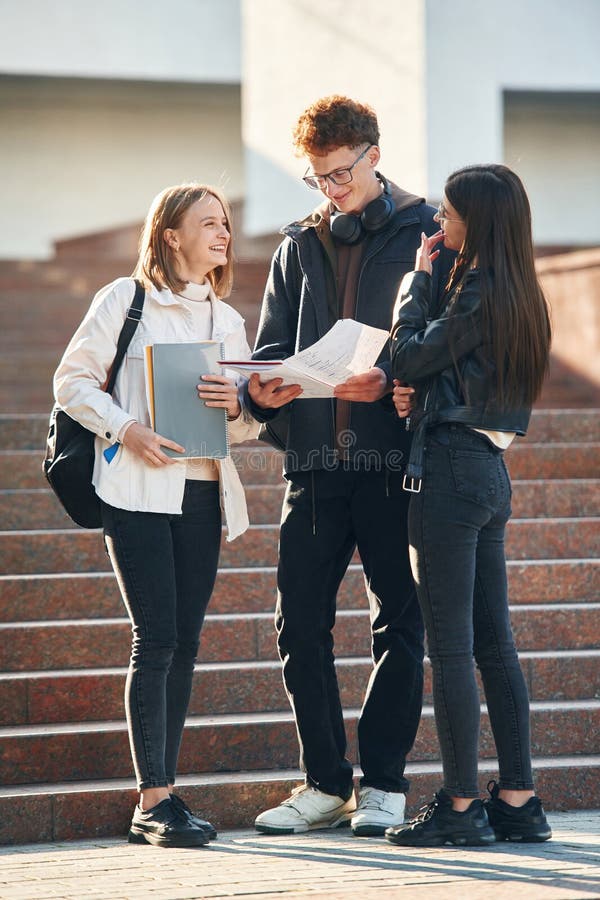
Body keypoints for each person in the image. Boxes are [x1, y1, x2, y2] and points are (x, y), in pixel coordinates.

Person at [245, 95, 454, 836]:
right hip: (313, 463)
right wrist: (262, 389)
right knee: (298, 621)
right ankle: (325, 784)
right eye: (318, 179)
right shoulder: (295, 245)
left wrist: (395, 375)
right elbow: (272, 347)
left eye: (339, 174)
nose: (330, 190)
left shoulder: (429, 230)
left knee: (398, 621)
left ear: (372, 154)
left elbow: (449, 341)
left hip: (394, 461)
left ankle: (386, 786)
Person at [53, 183, 258, 848]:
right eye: (209, 223)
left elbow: (247, 426)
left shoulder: (227, 321)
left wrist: (238, 406)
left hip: (202, 495)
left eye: (226, 223)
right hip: (136, 493)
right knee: (158, 639)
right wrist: (125, 430)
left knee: (187, 644)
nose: (224, 233)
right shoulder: (125, 300)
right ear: (171, 234)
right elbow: (72, 383)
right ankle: (153, 799)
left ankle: (165, 789)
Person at [385, 163, 553, 847]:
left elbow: (405, 354)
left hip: (451, 474)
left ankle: (459, 807)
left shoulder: (474, 290)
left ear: (477, 221)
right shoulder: (521, 294)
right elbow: (446, 373)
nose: (438, 224)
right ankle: (518, 798)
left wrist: (416, 281)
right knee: (494, 645)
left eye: (449, 213)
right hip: (489, 470)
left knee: (452, 649)